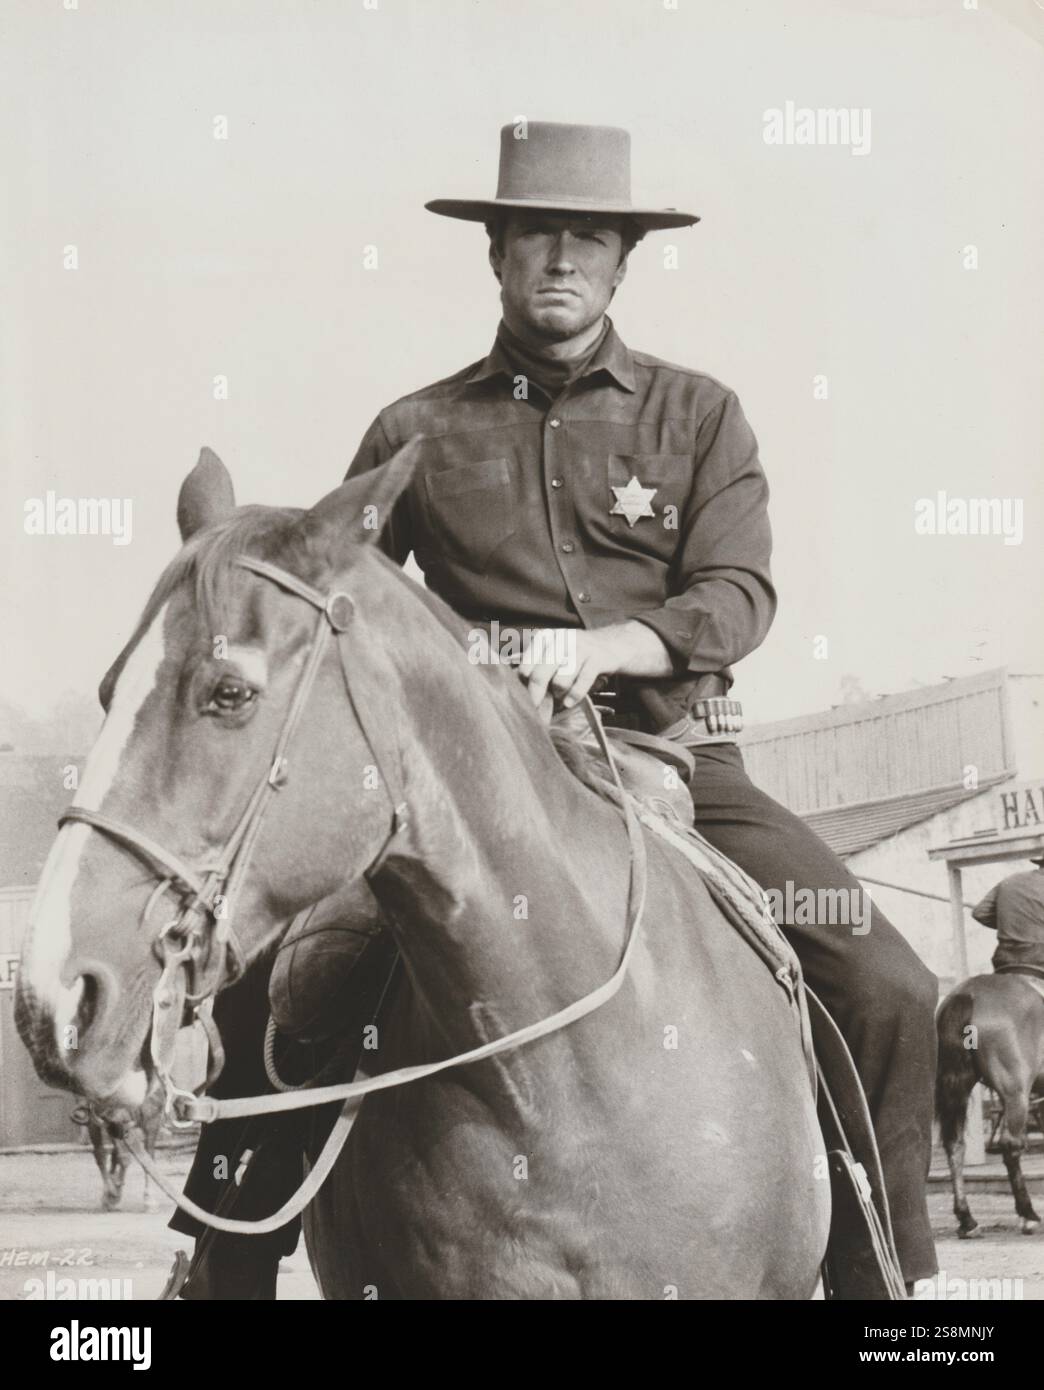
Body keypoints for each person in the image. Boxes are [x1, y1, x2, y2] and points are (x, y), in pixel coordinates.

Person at [172, 121, 937, 1296]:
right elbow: (339, 599)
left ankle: (887, 1296)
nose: (563, 258)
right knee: (289, 973)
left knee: (886, 986)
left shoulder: (700, 416)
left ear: (625, 261)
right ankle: (224, 1263)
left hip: (669, 758)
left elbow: (739, 593)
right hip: (472, 789)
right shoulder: (409, 434)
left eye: (589, 236)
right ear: (497, 254)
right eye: (538, 234)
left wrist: (607, 647)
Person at [972, 856, 1044, 975]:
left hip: (1004, 956)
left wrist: (1011, 925)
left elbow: (980, 913)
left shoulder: (1010, 880)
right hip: (1039, 957)